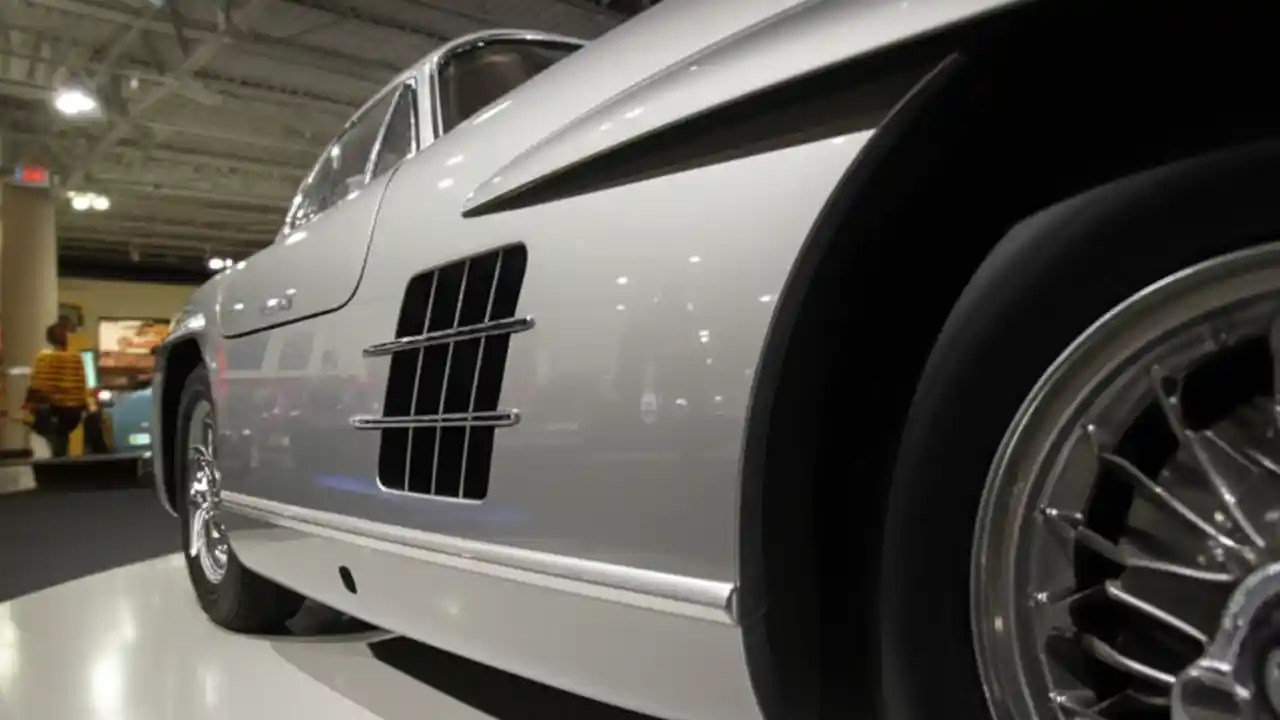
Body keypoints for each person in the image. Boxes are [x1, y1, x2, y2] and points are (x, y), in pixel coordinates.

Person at [25, 322, 88, 458]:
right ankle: (61, 454)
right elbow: (85, 385)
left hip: (51, 410)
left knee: (43, 425)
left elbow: (37, 385)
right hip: (74, 411)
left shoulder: (44, 357)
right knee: (63, 433)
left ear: (49, 339)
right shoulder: (79, 357)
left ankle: (54, 453)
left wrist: (29, 403)